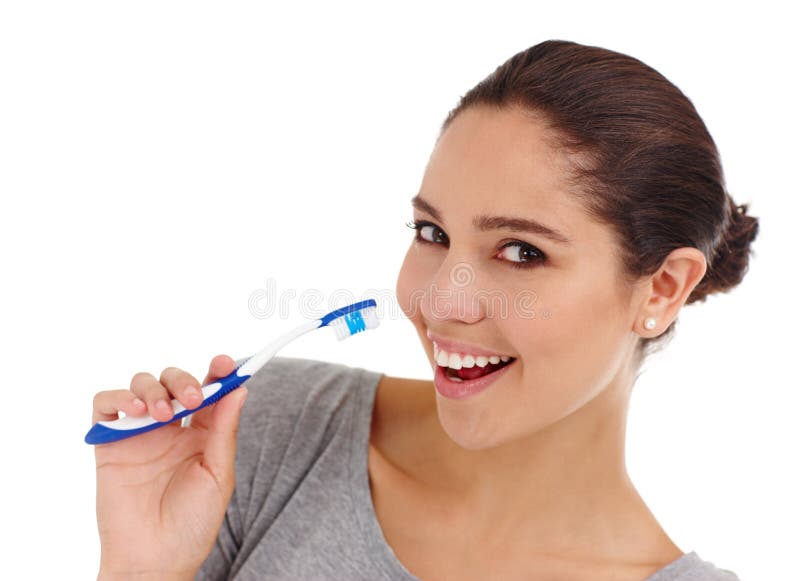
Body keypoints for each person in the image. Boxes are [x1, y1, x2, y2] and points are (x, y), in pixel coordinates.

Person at [91, 39, 757, 580]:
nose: (439, 299)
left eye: (521, 251)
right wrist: (142, 569)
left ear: (663, 288)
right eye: (432, 234)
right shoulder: (269, 432)